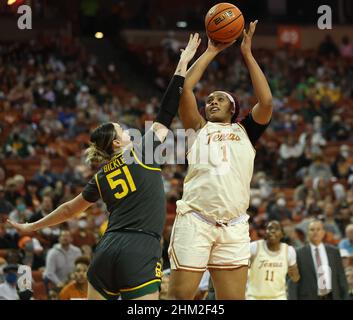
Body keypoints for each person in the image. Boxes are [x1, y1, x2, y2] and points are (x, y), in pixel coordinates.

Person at [7, 34, 200, 300]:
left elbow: (68, 210)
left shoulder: (100, 176)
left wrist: (32, 227)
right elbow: (167, 109)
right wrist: (183, 62)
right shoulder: (142, 152)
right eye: (122, 129)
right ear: (118, 142)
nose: (128, 130)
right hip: (140, 246)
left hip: (106, 249)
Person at [168, 21, 272, 300]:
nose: (211, 102)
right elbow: (185, 89)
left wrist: (248, 54)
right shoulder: (198, 128)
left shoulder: (246, 131)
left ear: (234, 108)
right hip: (196, 220)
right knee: (180, 297)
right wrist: (212, 50)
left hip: (234, 225)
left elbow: (267, 101)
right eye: (209, 100)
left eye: (219, 99)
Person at [288, 219, 348, 300]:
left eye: (318, 229)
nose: (315, 232)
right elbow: (293, 282)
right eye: (312, 230)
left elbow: (341, 277)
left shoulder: (334, 252)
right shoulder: (298, 253)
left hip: (332, 296)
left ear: (323, 232)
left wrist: (345, 296)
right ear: (307, 233)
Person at [246, 221, 300, 300]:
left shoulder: (289, 251)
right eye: (270, 228)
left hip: (278, 297)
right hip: (254, 296)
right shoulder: (254, 247)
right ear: (265, 232)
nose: (273, 231)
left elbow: (296, 279)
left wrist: (294, 272)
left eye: (277, 229)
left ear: (282, 234)